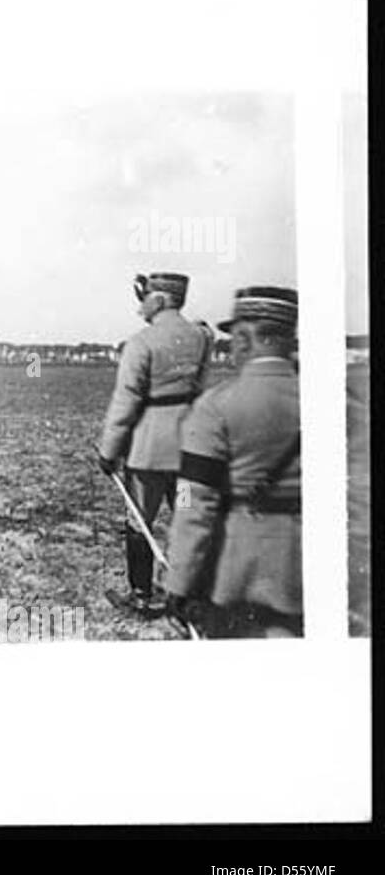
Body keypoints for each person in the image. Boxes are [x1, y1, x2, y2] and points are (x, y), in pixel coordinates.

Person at [163, 287, 301, 638]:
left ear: (242, 339)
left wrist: (178, 581)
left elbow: (191, 503)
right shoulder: (342, 402)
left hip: (236, 572)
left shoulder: (214, 407)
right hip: (307, 573)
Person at [97, 273, 212, 616]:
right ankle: (189, 592)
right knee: (187, 515)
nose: (141, 304)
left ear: (159, 300)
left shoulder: (141, 343)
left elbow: (125, 403)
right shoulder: (201, 337)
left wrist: (109, 451)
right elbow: (202, 387)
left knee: (140, 520)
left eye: (145, 297)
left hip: (150, 452)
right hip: (190, 449)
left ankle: (142, 594)